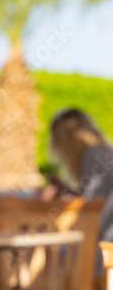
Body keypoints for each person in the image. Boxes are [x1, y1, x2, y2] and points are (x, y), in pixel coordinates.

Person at [43, 107, 113, 274]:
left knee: (45, 245)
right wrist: (66, 190)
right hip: (104, 238)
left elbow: (89, 209)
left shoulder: (94, 155)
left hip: (103, 243)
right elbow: (94, 197)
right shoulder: (102, 153)